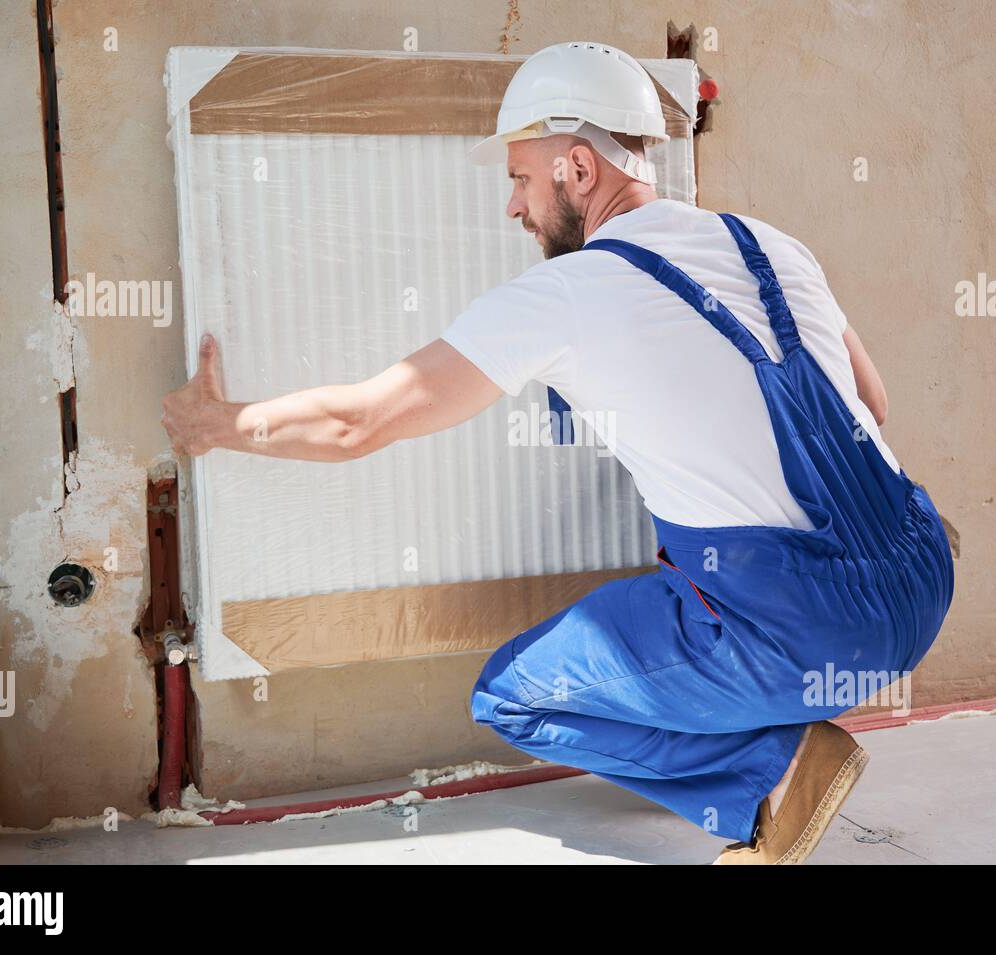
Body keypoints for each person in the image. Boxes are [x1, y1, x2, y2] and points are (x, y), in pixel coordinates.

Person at [161, 40, 954, 864]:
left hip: (799, 627)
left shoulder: (567, 292)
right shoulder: (773, 244)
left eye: (520, 179)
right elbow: (876, 404)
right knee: (692, 578)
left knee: (513, 697)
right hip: (921, 584)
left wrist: (218, 423)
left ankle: (775, 766)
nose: (513, 208)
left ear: (578, 168)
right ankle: (770, 708)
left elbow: (362, 421)